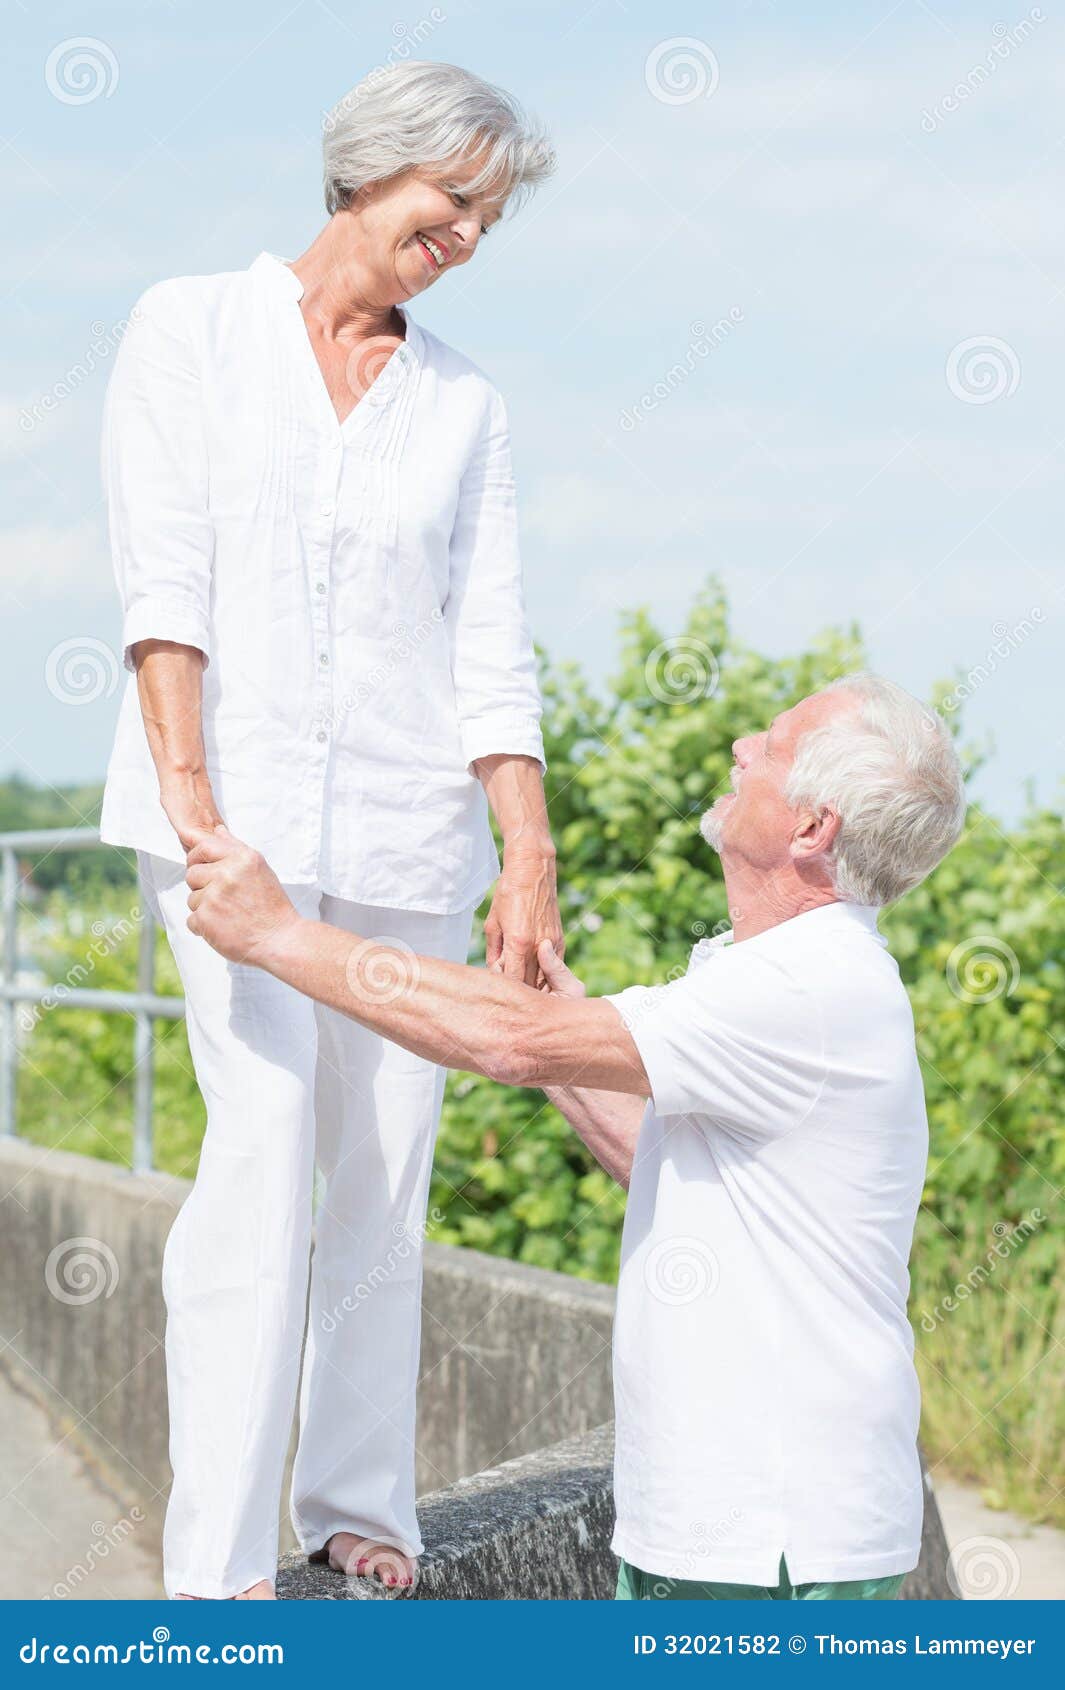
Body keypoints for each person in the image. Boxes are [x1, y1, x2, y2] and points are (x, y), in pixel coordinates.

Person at [184, 673, 967, 1601]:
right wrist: (560, 1033)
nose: (741, 746)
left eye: (775, 744)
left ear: (812, 829)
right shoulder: (777, 972)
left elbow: (508, 1043)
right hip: (727, 1530)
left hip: (775, 1545)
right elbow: (666, 1164)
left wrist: (277, 935)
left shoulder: (808, 985)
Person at [99, 61, 561, 1599]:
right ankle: (216, 1568)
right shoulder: (191, 329)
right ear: (375, 170)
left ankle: (358, 1502)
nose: (473, 236)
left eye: (493, 215)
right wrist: (197, 813)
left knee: (383, 1166)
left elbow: (491, 649)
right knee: (261, 1154)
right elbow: (164, 589)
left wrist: (528, 854)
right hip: (230, 840)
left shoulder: (466, 405)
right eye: (458, 202)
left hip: (408, 841)